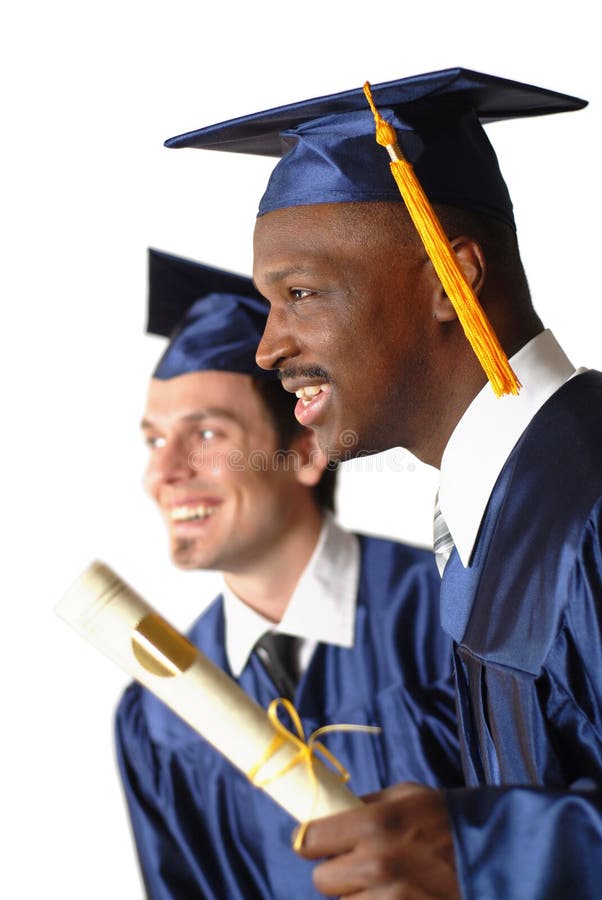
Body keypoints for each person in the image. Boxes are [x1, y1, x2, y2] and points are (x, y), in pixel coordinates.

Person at [165, 68, 602, 896]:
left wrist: (482, 852)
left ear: (451, 280)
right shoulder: (502, 506)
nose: (267, 349)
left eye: (299, 294)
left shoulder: (588, 501)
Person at [115, 248, 461, 900]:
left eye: (208, 435)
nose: (162, 475)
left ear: (305, 451)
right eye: (155, 441)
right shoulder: (162, 715)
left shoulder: (458, 618)